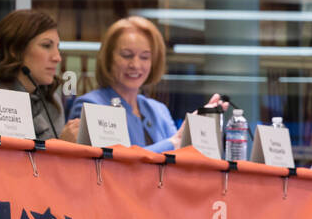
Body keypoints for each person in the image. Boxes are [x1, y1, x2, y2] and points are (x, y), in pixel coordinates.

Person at [66, 16, 226, 152]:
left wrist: (197, 128)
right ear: (108, 58)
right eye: (127, 55)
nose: (135, 65)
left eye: (144, 57)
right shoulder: (91, 105)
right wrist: (173, 142)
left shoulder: (159, 110)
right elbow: (113, 167)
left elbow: (179, 158)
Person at [0, 9, 80, 142]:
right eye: (46, 46)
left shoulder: (52, 100)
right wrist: (63, 145)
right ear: (15, 50)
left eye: (57, 47)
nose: (57, 58)